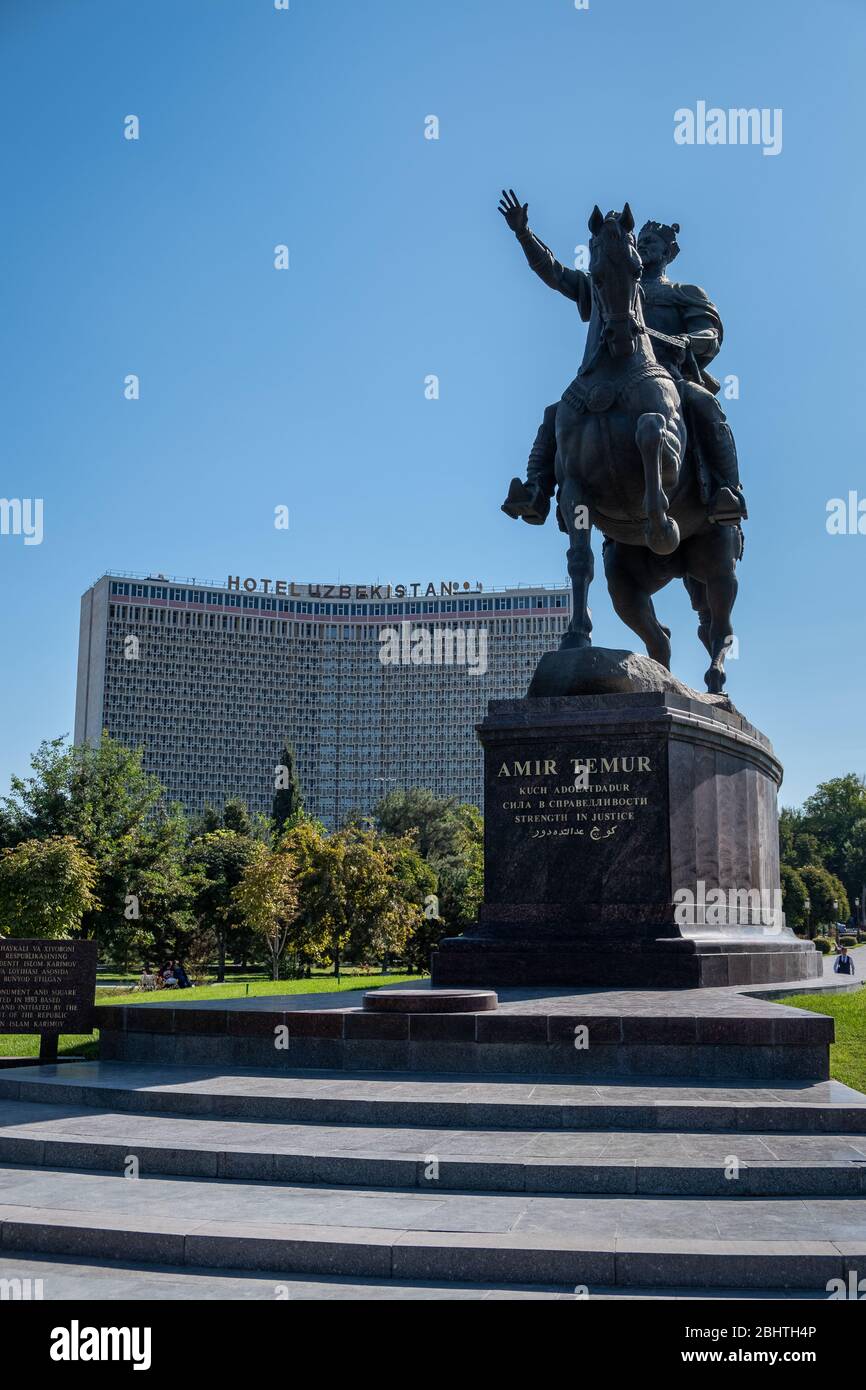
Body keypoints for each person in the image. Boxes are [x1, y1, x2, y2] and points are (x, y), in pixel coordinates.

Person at [497, 190, 747, 526]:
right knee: (555, 413)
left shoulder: (682, 293)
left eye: (653, 244)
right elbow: (555, 273)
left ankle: (726, 491)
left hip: (668, 379)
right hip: (608, 374)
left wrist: (685, 340)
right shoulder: (604, 285)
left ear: (668, 252)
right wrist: (524, 234)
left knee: (704, 403)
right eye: (641, 242)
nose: (645, 247)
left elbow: (710, 335)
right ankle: (537, 491)